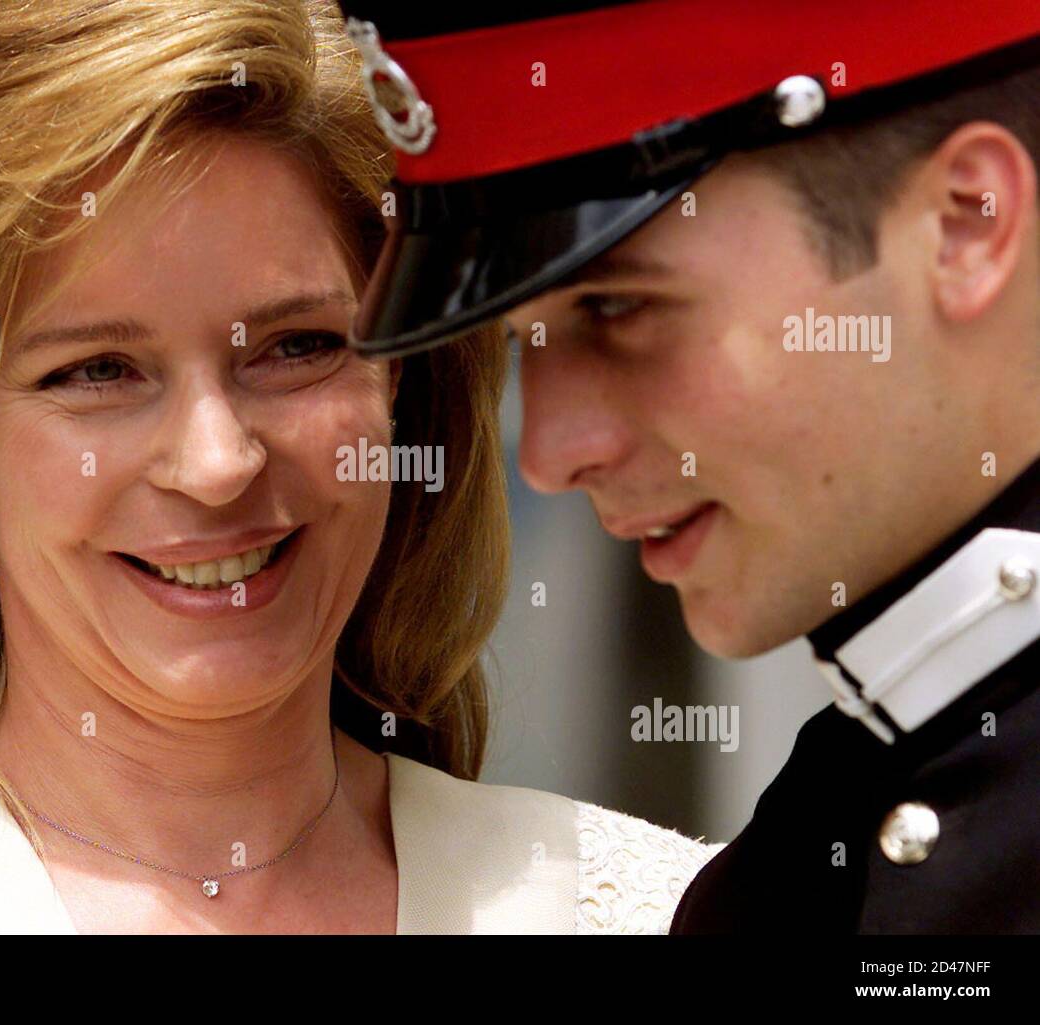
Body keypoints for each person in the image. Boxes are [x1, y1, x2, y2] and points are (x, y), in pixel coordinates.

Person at [0, 0, 716, 935]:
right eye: (98, 370)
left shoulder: (675, 912)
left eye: (295, 347)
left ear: (402, 377)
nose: (216, 463)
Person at [338, 1, 1040, 932]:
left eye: (617, 309)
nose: (548, 456)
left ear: (965, 222)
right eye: (519, 344)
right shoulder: (785, 875)